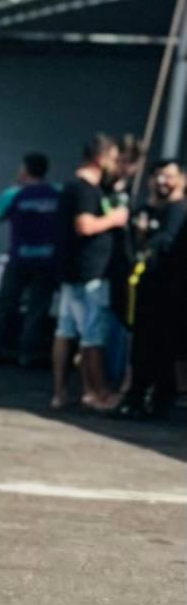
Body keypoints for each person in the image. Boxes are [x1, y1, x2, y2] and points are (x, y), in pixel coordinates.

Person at [51, 135, 127, 413]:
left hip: (73, 272)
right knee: (93, 335)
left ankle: (61, 392)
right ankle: (97, 391)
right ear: (101, 157)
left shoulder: (76, 187)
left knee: (66, 330)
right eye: (113, 157)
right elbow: (84, 225)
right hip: (88, 272)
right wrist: (115, 219)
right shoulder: (84, 190)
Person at [0, 152, 64, 369]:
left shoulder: (13, 194)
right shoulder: (57, 194)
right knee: (37, 309)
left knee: (4, 306)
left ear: (24, 170)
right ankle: (27, 355)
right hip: (47, 260)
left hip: (20, 258)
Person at [118, 155, 185, 421]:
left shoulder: (180, 210)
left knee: (163, 349)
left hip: (172, 291)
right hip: (146, 289)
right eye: (158, 175)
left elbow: (166, 244)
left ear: (181, 179)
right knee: (143, 347)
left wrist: (147, 238)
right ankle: (138, 397)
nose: (162, 181)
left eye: (168, 175)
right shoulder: (147, 209)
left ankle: (158, 401)